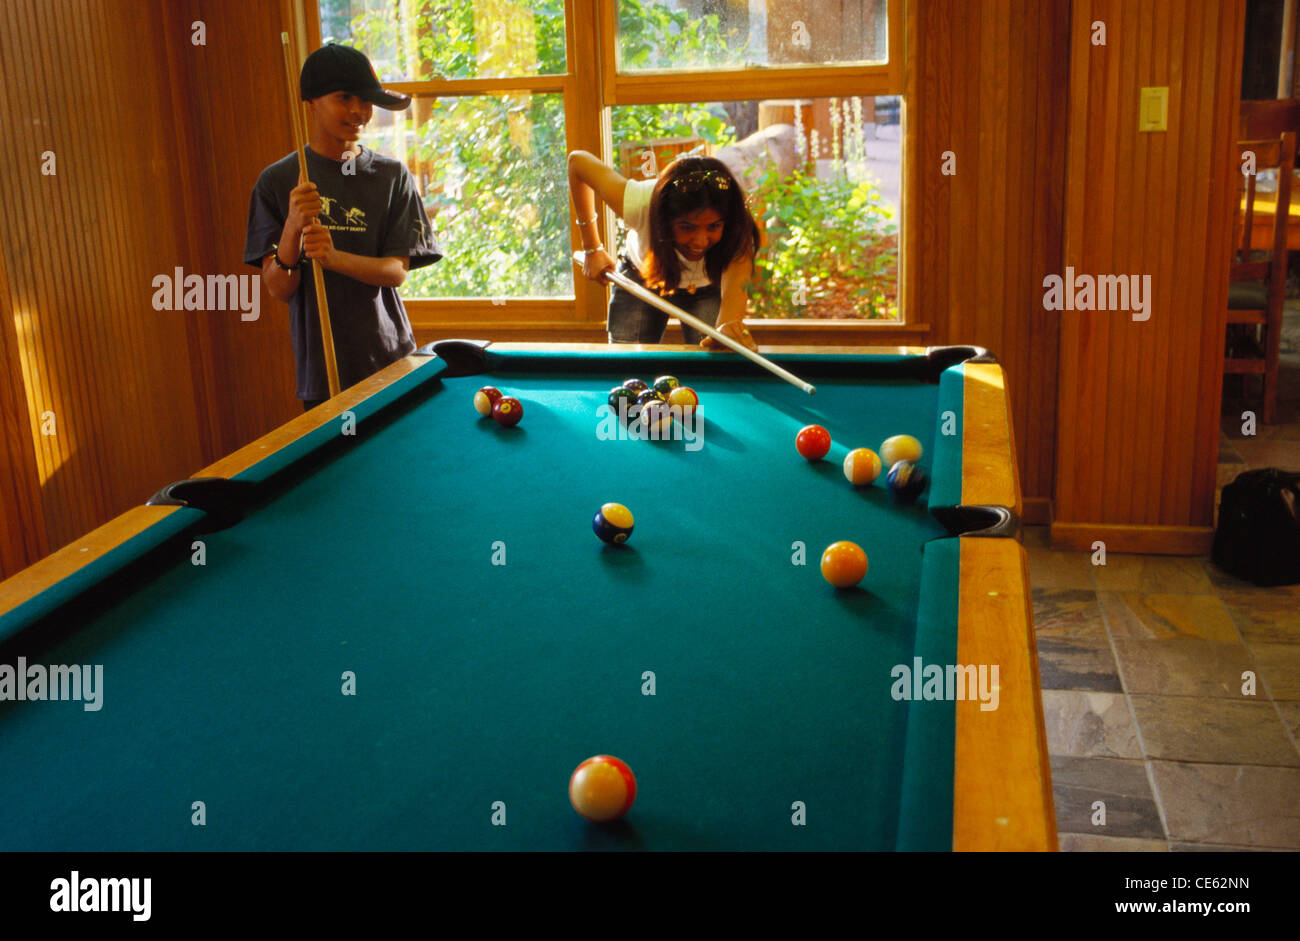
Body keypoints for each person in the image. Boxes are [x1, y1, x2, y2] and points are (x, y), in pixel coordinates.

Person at [244, 43, 443, 411]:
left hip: (390, 361)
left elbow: (396, 272)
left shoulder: (391, 175)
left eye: (366, 100)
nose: (358, 111)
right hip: (323, 371)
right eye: (344, 97)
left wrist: (333, 258)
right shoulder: (278, 181)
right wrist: (292, 227)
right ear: (312, 102)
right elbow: (278, 287)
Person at [568, 152, 760, 351]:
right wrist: (592, 248)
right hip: (641, 276)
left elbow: (726, 328)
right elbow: (578, 162)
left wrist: (728, 334)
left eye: (713, 227)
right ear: (663, 220)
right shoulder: (641, 202)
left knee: (715, 357)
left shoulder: (736, 231)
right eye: (687, 227)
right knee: (627, 366)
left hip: (705, 285)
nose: (701, 241)